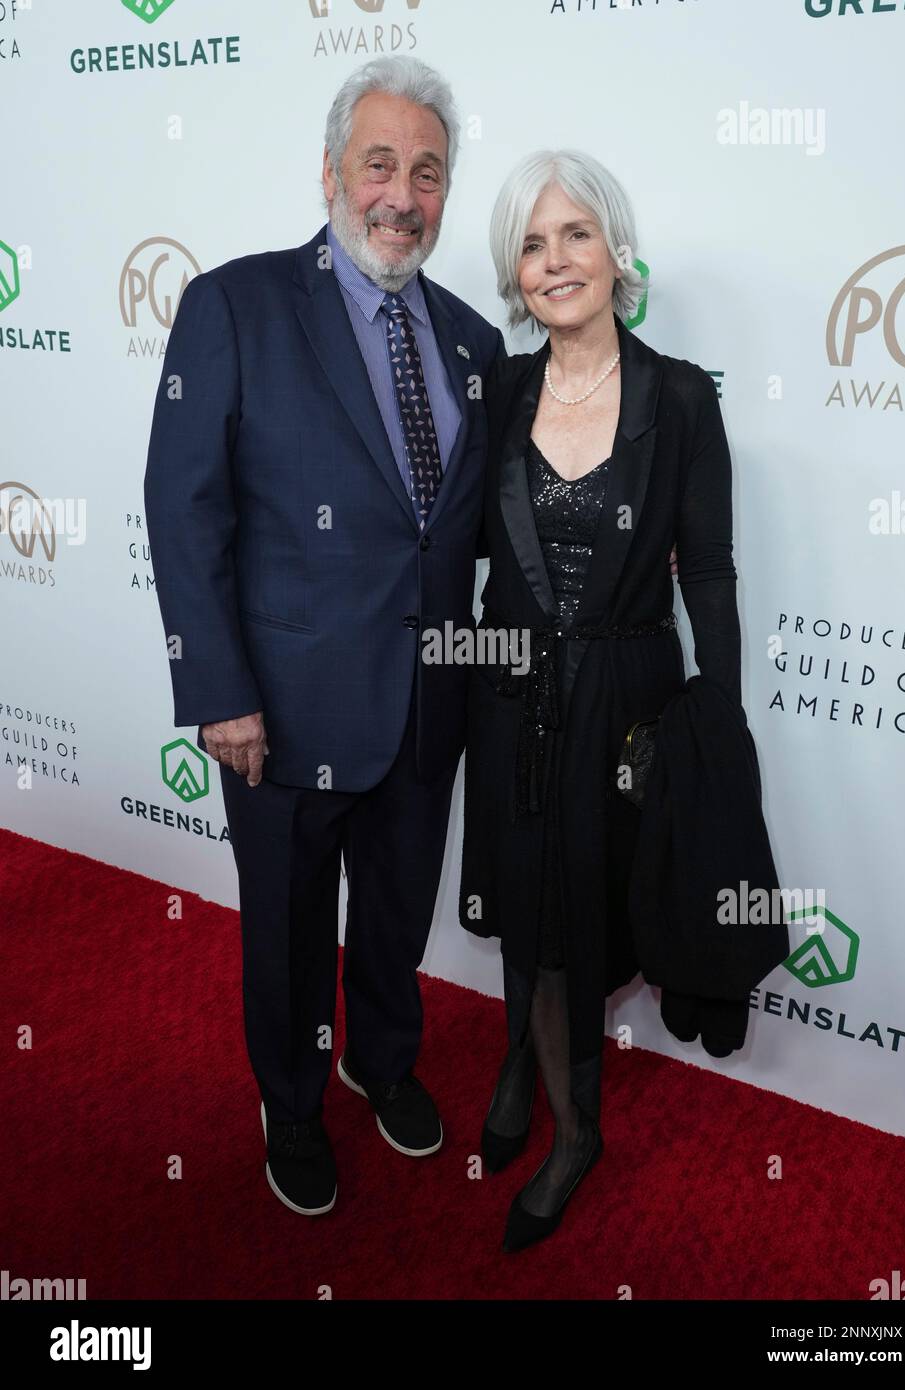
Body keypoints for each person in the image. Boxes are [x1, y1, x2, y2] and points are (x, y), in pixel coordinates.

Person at [144, 55, 505, 1217]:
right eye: (381, 163)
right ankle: (291, 1100)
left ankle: (380, 1060)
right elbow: (182, 503)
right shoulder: (236, 304)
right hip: (283, 704)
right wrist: (219, 689)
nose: (403, 195)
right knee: (292, 924)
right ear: (332, 172)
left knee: (396, 909)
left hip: (425, 699)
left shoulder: (470, 343)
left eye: (429, 173)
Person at [459, 149, 743, 1252]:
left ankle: (578, 1126)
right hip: (510, 686)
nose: (553, 259)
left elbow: (707, 570)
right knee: (518, 891)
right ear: (513, 274)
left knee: (587, 907)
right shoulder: (499, 391)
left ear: (616, 251)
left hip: (625, 695)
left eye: (574, 233)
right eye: (531, 243)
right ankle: (518, 1057)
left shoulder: (678, 396)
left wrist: (717, 717)